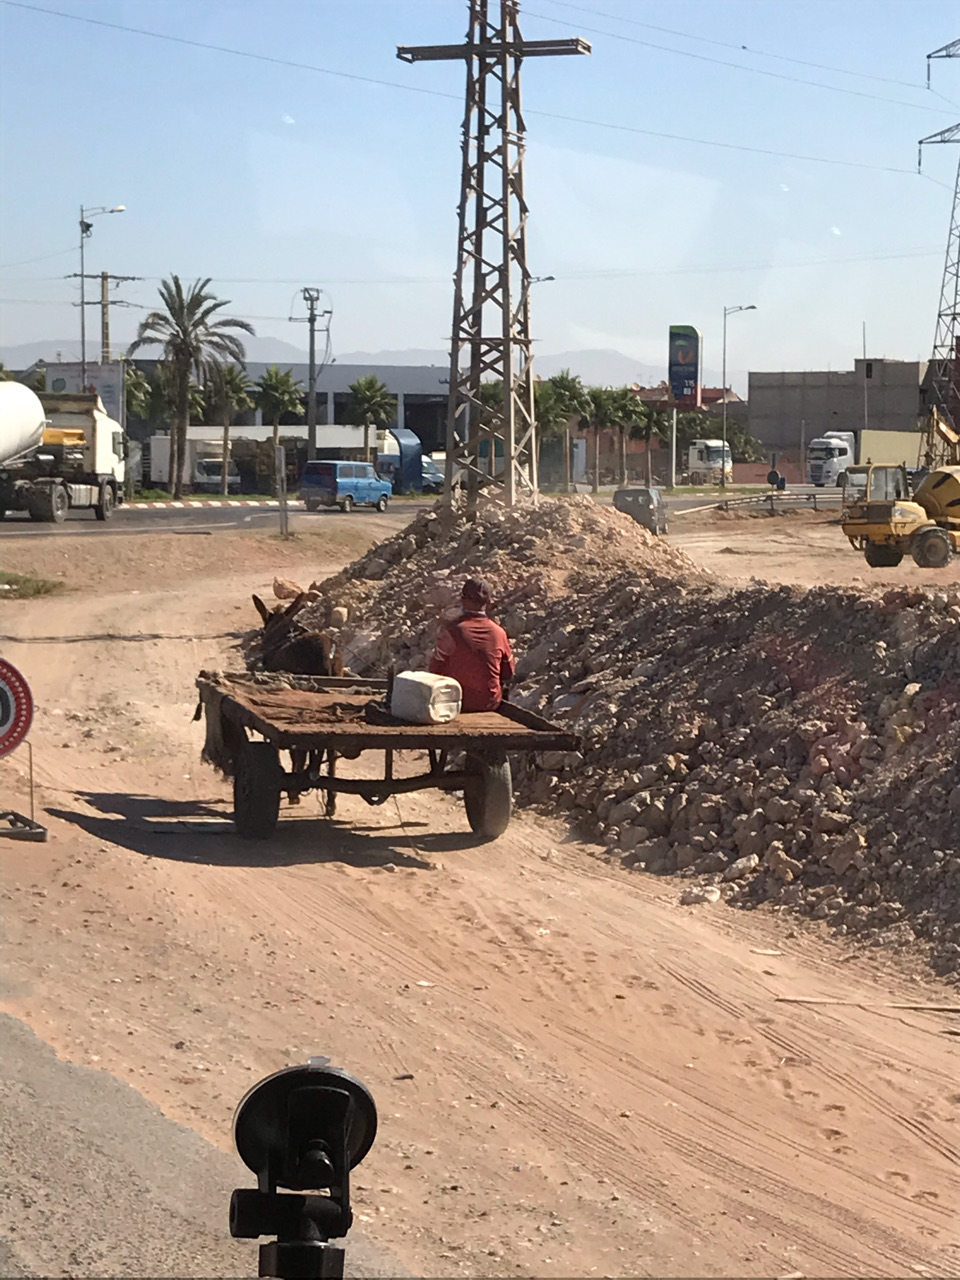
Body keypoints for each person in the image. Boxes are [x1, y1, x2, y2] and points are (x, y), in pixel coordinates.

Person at [429, 577, 515, 713]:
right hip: (489, 703)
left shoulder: (452, 631)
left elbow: (434, 670)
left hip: (455, 703)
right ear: (489, 602)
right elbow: (508, 672)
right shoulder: (499, 633)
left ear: (462, 600)